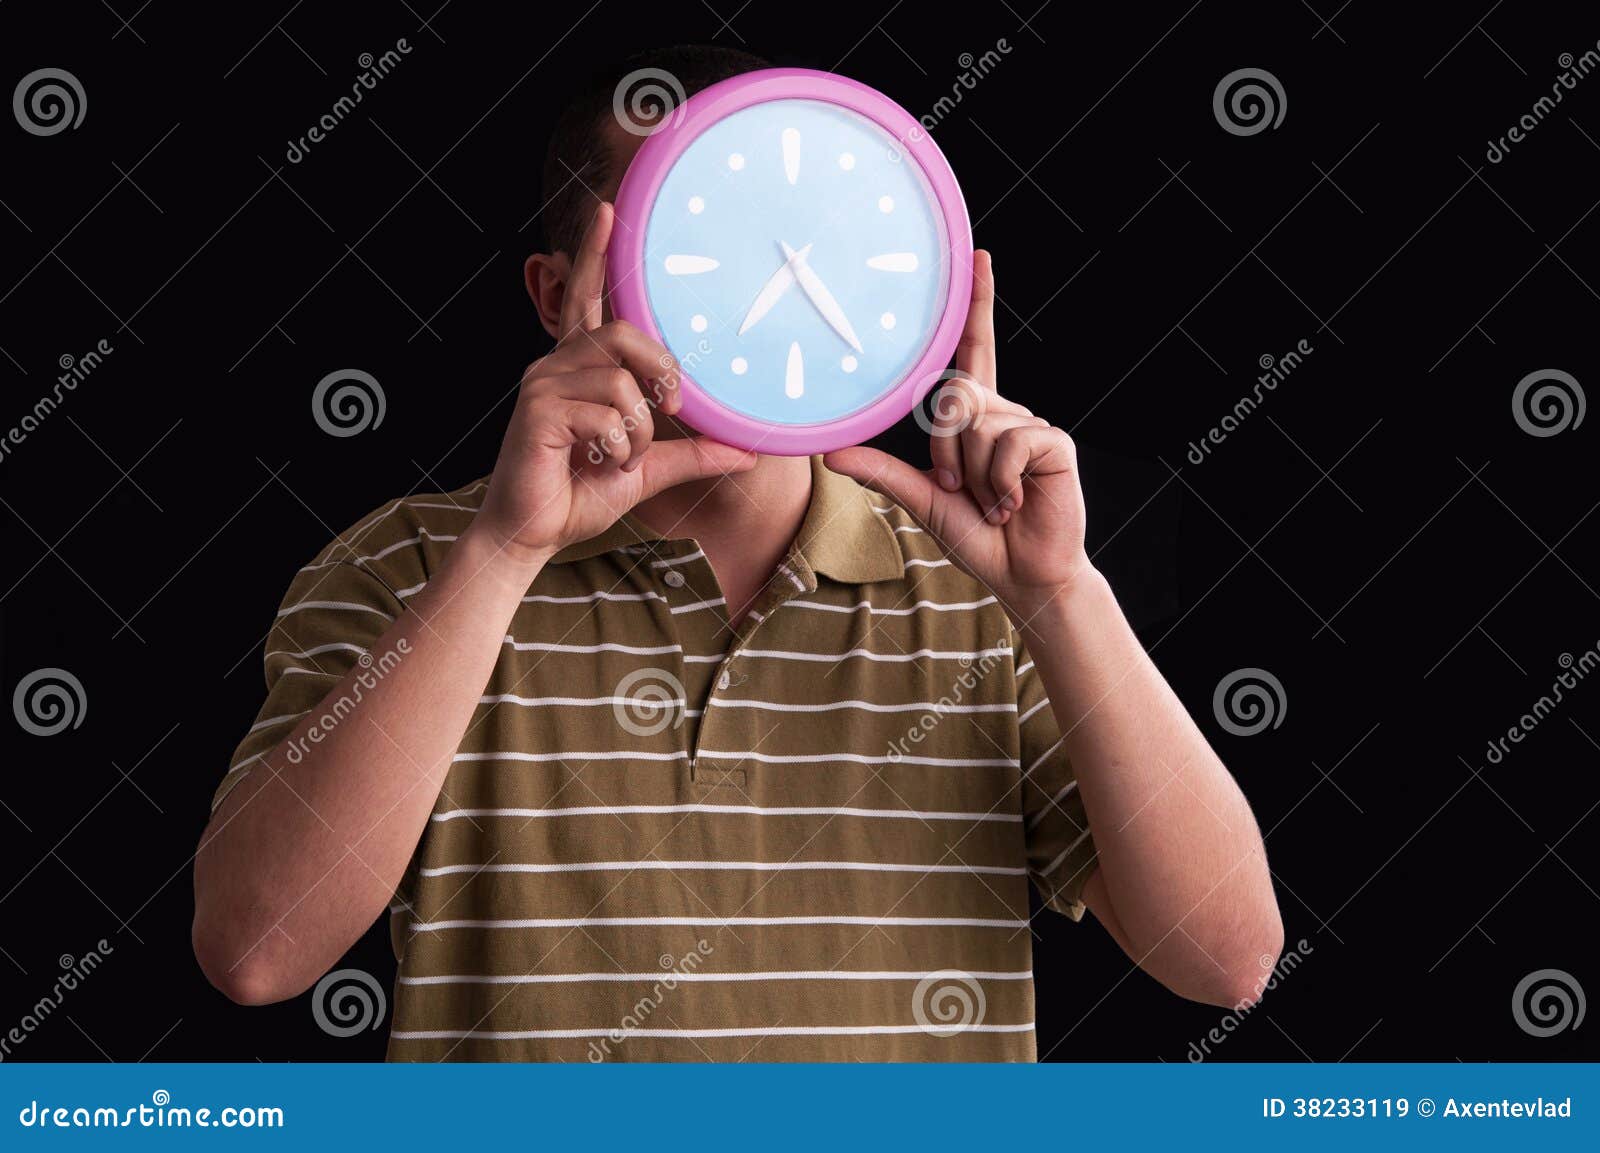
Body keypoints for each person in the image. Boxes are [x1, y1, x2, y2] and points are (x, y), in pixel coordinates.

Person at [192, 44, 1282, 1061]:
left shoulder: (988, 593)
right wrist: (502, 554)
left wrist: (1058, 592)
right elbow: (257, 952)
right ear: (553, 294)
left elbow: (1225, 956)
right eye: (690, 250)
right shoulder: (407, 567)